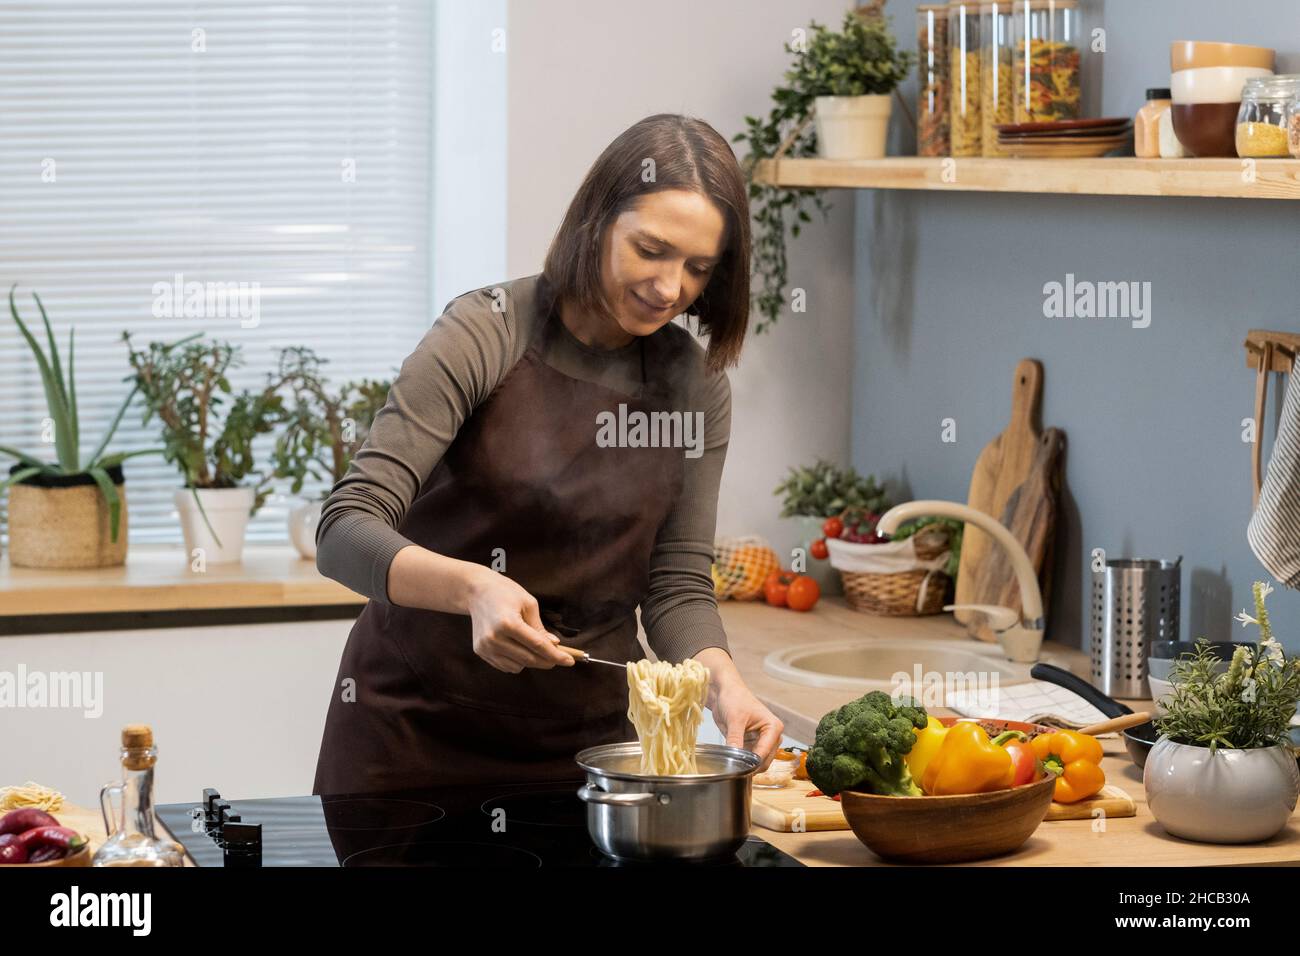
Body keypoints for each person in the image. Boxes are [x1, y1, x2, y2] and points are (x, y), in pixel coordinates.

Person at [312, 113, 783, 793]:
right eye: (650, 249)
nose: (669, 288)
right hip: (413, 743)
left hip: (588, 757)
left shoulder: (695, 385)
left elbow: (675, 584)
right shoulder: (483, 334)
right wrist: (475, 587)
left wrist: (724, 687)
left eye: (698, 269)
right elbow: (344, 531)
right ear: (596, 221)